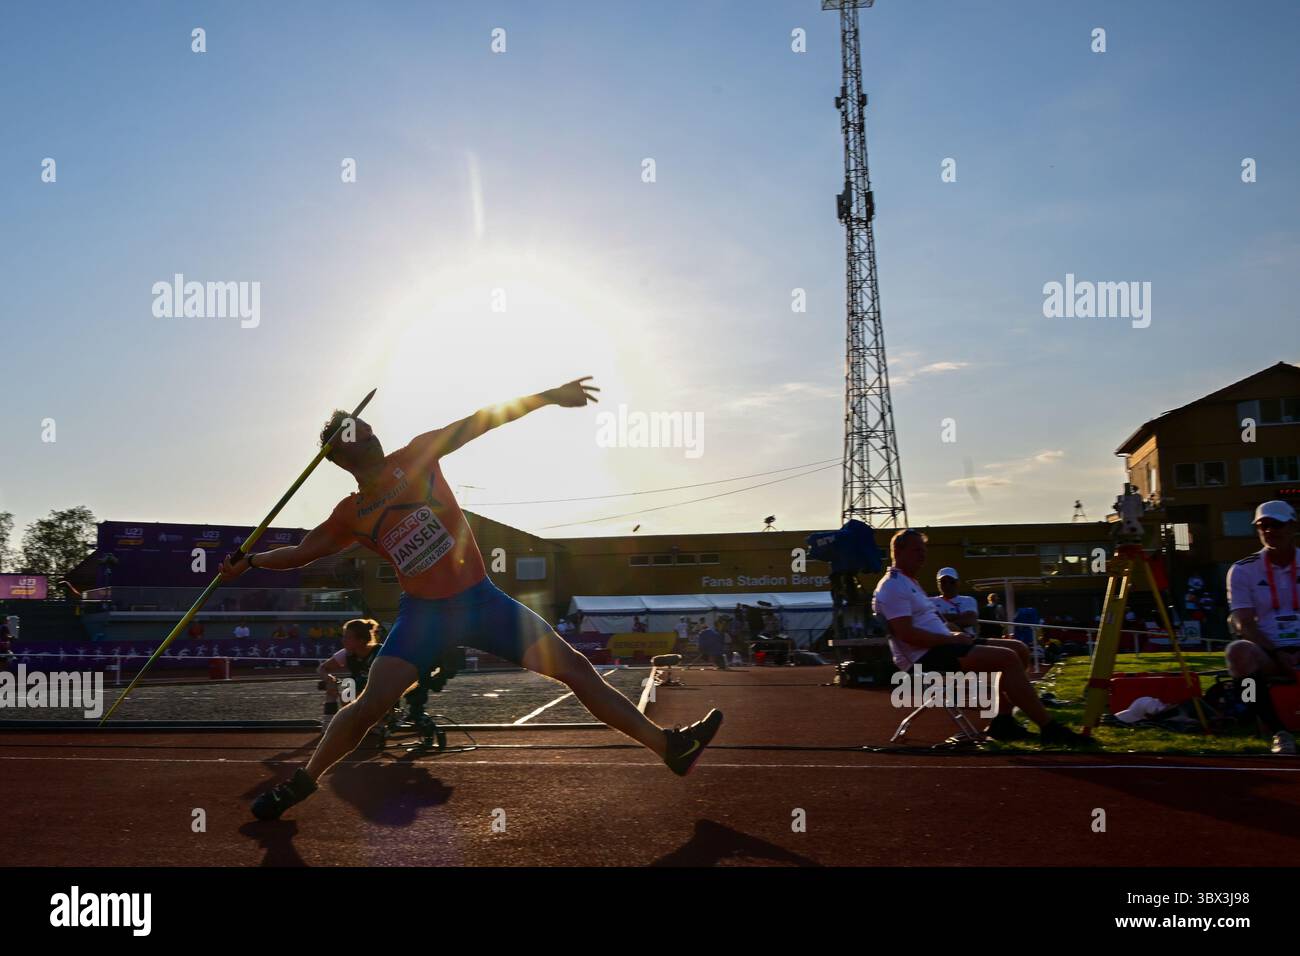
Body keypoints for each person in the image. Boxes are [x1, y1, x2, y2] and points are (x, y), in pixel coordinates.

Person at [226, 378, 722, 820]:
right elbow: (301, 552)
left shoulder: (419, 454)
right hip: (424, 617)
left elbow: (481, 422)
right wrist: (249, 561)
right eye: (357, 436)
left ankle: (668, 747)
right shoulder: (350, 513)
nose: (371, 438)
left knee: (574, 668)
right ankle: (303, 781)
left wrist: (548, 397)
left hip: (483, 601)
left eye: (370, 429)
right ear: (339, 458)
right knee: (372, 703)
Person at [872, 529, 1091, 746]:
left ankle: (1003, 722)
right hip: (924, 657)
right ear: (898, 552)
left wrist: (953, 634)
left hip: (943, 645)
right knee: (1007, 658)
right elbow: (907, 634)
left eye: (924, 550)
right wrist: (951, 640)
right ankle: (1049, 728)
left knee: (1019, 648)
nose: (923, 555)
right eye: (917, 550)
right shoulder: (892, 586)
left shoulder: (910, 583)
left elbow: (931, 621)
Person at [1225, 500, 1300, 755]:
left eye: (1276, 524)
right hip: (1268, 650)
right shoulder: (1243, 570)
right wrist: (1277, 651)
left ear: (1292, 526)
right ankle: (1276, 730)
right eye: (1263, 525)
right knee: (1238, 652)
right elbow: (1242, 621)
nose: (1269, 531)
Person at [931, 567, 978, 638]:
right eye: (943, 582)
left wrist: (944, 622)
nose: (947, 585)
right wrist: (959, 616)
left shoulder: (968, 600)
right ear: (938, 584)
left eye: (952, 582)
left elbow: (970, 620)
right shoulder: (931, 601)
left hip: (965, 640)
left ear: (958, 582)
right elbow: (931, 621)